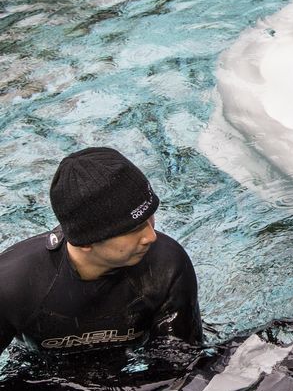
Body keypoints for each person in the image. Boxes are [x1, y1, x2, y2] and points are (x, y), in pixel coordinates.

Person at [0, 147, 202, 357]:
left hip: (136, 379)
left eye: (150, 217)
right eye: (133, 229)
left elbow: (181, 368)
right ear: (86, 241)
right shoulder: (12, 284)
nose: (151, 237)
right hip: (35, 379)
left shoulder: (167, 266)